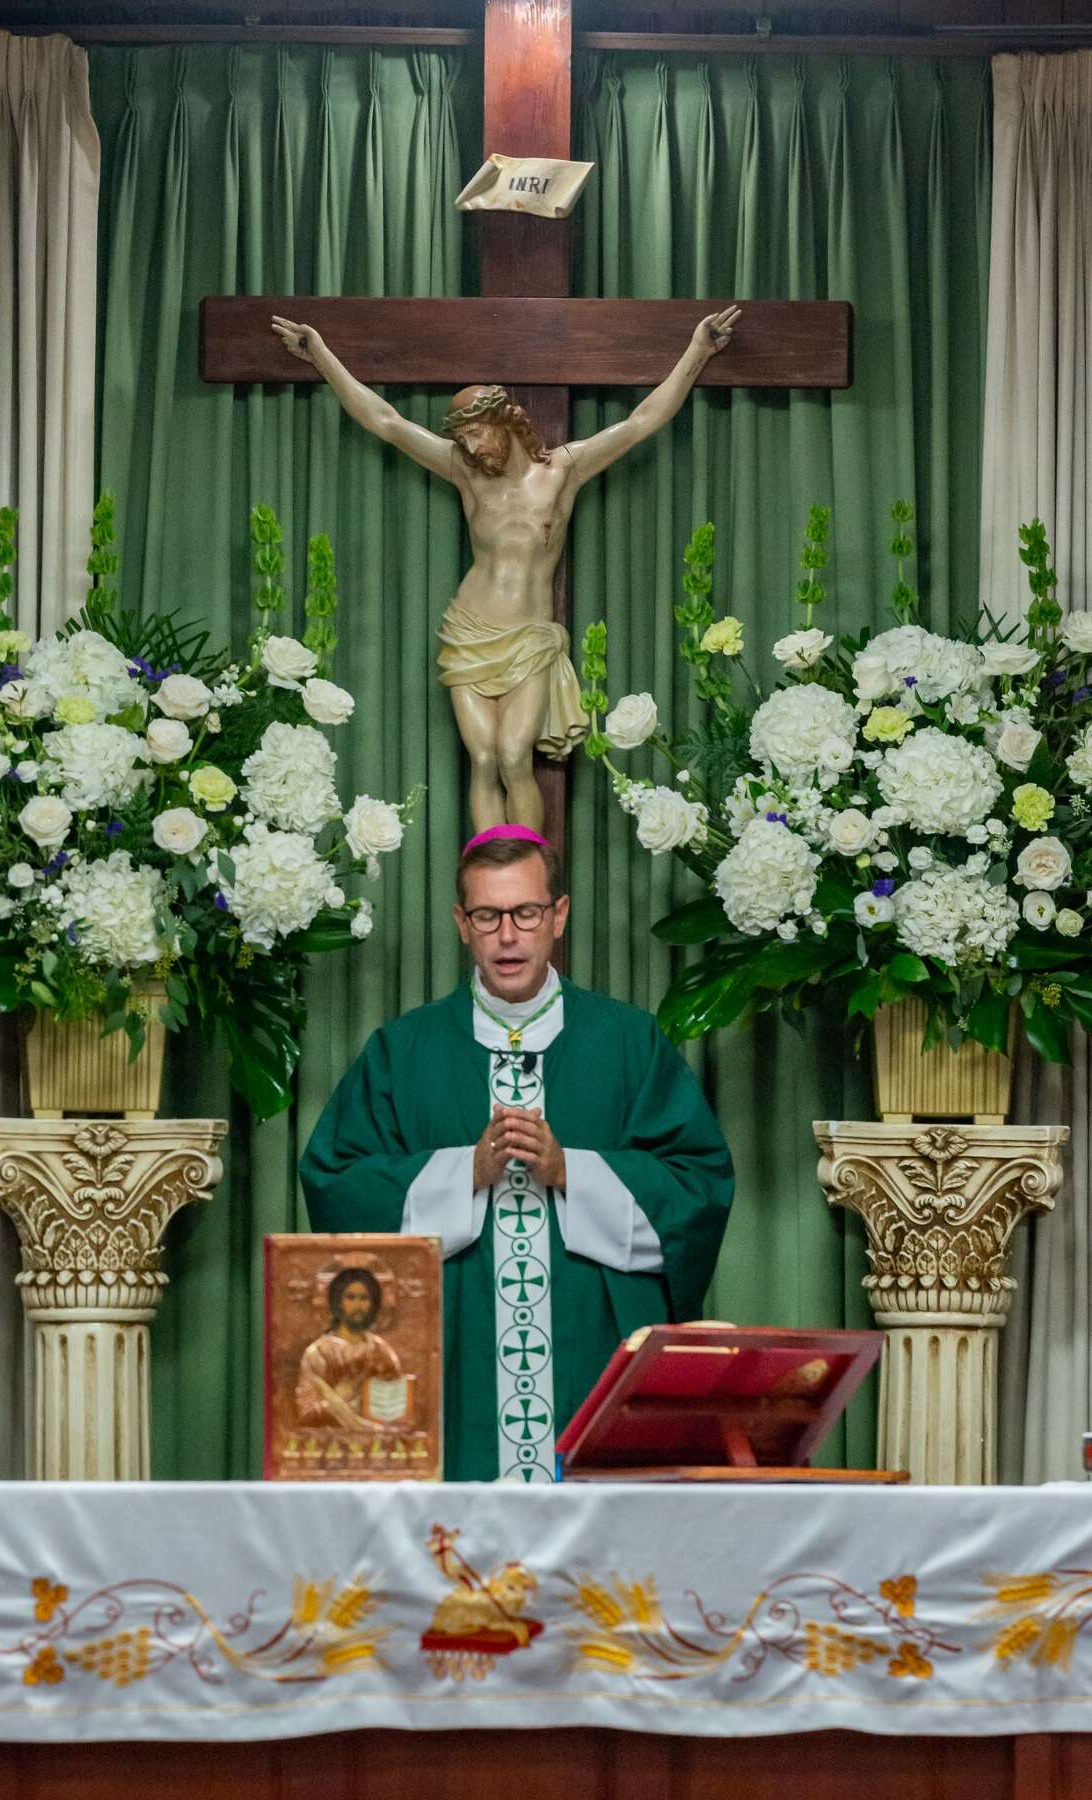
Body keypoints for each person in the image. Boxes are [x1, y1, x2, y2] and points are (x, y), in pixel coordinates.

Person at [300, 826, 734, 1482]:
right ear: (460, 923)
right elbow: (335, 1186)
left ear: (558, 916)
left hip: (590, 1362)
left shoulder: (628, 1043)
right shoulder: (403, 1051)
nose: (508, 935)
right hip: (449, 1381)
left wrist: (572, 1172)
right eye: (487, 915)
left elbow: (699, 1188)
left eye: (526, 912)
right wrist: (462, 1175)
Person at [271, 307, 741, 833]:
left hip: (529, 640)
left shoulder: (564, 469)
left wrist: (697, 351)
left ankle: (530, 877)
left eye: (476, 433)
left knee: (516, 756)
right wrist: (320, 355)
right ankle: (489, 875)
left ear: (504, 421)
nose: (470, 447)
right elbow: (386, 422)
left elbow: (641, 422)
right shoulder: (464, 472)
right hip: (470, 632)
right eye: (463, 438)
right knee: (485, 760)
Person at [294, 1266, 403, 1433]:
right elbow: (305, 1414)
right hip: (328, 1443)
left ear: (373, 1304)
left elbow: (396, 1411)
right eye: (350, 1297)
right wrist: (336, 1402)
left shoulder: (382, 1352)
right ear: (338, 1301)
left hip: (376, 1443)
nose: (358, 1305)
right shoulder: (318, 1353)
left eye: (364, 1298)